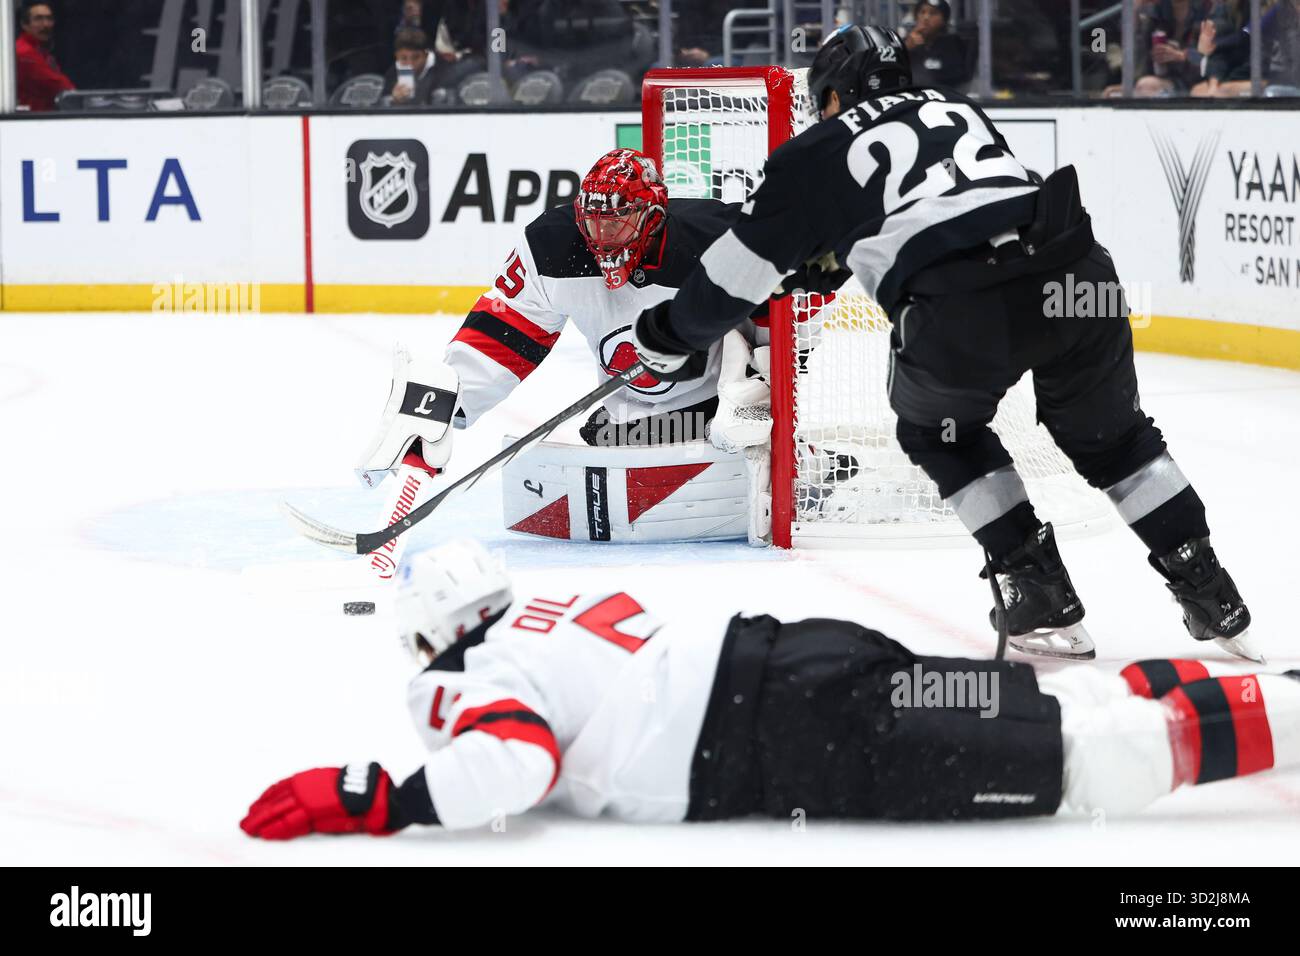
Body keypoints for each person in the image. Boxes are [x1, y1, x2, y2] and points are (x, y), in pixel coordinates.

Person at [629, 25, 1257, 662]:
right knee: (1117, 442)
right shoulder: (956, 107)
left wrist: (666, 334)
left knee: (938, 432)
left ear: (833, 93)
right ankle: (1212, 593)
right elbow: (947, 204)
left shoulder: (814, 150)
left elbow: (732, 281)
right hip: (1075, 272)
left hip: (964, 305)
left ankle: (1037, 587)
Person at [240, 538, 1300, 838]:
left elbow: (515, 756)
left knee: (1078, 765)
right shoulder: (544, 609)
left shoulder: (471, 669)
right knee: (1052, 710)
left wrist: (385, 797)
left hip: (794, 729)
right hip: (807, 657)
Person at [353, 149, 776, 544]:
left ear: (654, 218)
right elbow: (506, 332)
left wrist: (763, 389)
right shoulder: (551, 247)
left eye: (619, 220)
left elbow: (779, 317)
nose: (604, 235)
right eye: (594, 221)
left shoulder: (719, 238)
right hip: (630, 423)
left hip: (712, 410)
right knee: (606, 433)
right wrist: (447, 406)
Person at [15, 2, 74, 112]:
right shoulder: (25, 53)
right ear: (24, 24)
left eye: (49, 19)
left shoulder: (41, 50)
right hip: (31, 120)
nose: (46, 24)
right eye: (38, 19)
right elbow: (60, 86)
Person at [904, 1, 970, 87]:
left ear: (944, 19)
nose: (926, 17)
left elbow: (957, 75)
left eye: (933, 13)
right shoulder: (907, 41)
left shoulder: (952, 43)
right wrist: (906, 49)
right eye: (922, 12)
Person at [381, 28, 439, 105]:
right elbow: (382, 101)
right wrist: (394, 100)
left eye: (416, 57)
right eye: (404, 58)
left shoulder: (443, 69)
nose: (410, 64)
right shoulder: (393, 72)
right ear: (396, 56)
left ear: (426, 55)